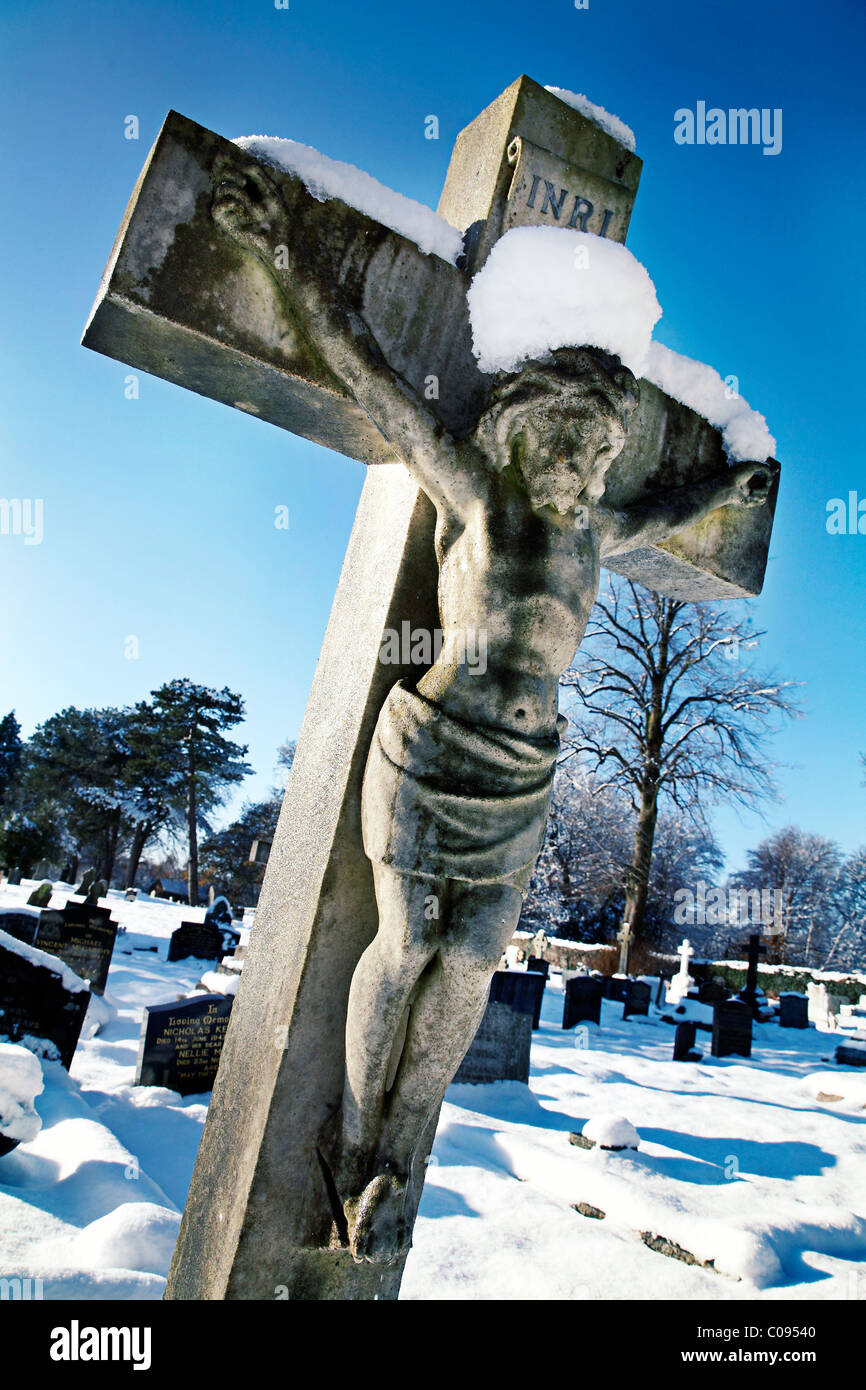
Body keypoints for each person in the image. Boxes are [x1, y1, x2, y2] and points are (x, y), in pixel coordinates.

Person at [212, 156, 772, 1262]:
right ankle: (359, 1135)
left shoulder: (589, 534)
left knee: (470, 956)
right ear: (519, 431)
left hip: (525, 768)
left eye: (590, 445)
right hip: (435, 744)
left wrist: (728, 482)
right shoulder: (474, 494)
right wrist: (287, 256)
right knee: (411, 933)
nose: (575, 457)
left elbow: (666, 507)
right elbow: (375, 385)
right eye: (557, 436)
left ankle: (399, 1148)